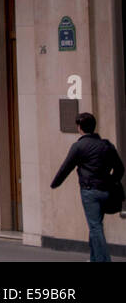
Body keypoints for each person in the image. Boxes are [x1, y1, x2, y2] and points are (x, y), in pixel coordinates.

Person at [51, 111, 124, 262]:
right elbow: (120, 168)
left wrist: (55, 184)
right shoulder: (107, 145)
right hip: (106, 191)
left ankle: (104, 260)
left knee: (95, 227)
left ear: (79, 127)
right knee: (95, 224)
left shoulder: (79, 146)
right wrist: (111, 181)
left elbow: (66, 167)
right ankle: (94, 258)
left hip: (89, 191)